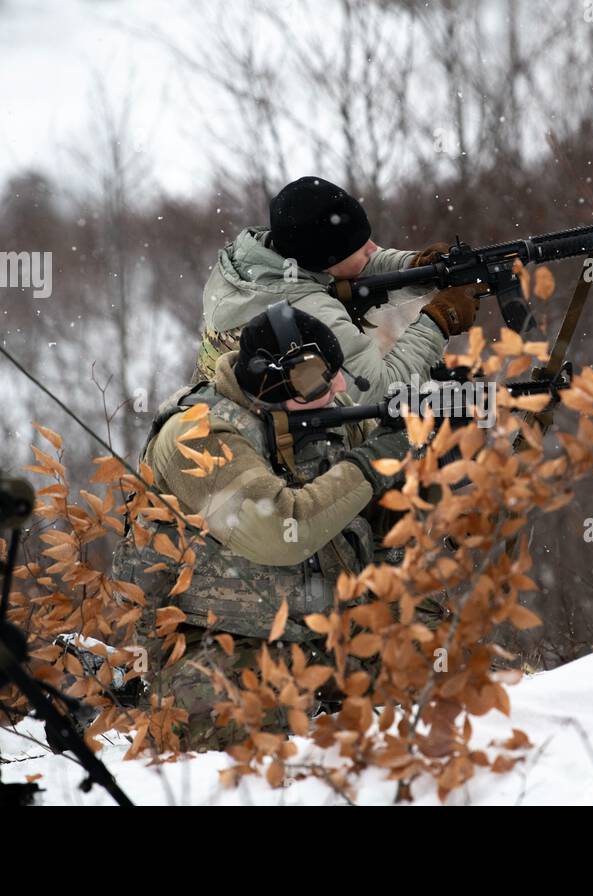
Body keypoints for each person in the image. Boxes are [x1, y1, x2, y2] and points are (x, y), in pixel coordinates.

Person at [113, 302, 419, 750]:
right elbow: (279, 529)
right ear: (273, 385)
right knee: (249, 746)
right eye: (320, 379)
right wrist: (372, 463)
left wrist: (430, 456)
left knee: (435, 694)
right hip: (210, 643)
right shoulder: (196, 437)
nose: (338, 386)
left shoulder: (320, 408)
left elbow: (386, 514)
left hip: (323, 635)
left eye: (337, 372)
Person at [195, 176, 481, 401]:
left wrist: (417, 268)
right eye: (361, 247)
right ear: (326, 261)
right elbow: (379, 391)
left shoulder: (256, 262)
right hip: (271, 461)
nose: (373, 248)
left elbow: (357, 265)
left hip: (212, 424)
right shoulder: (308, 311)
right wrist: (439, 321)